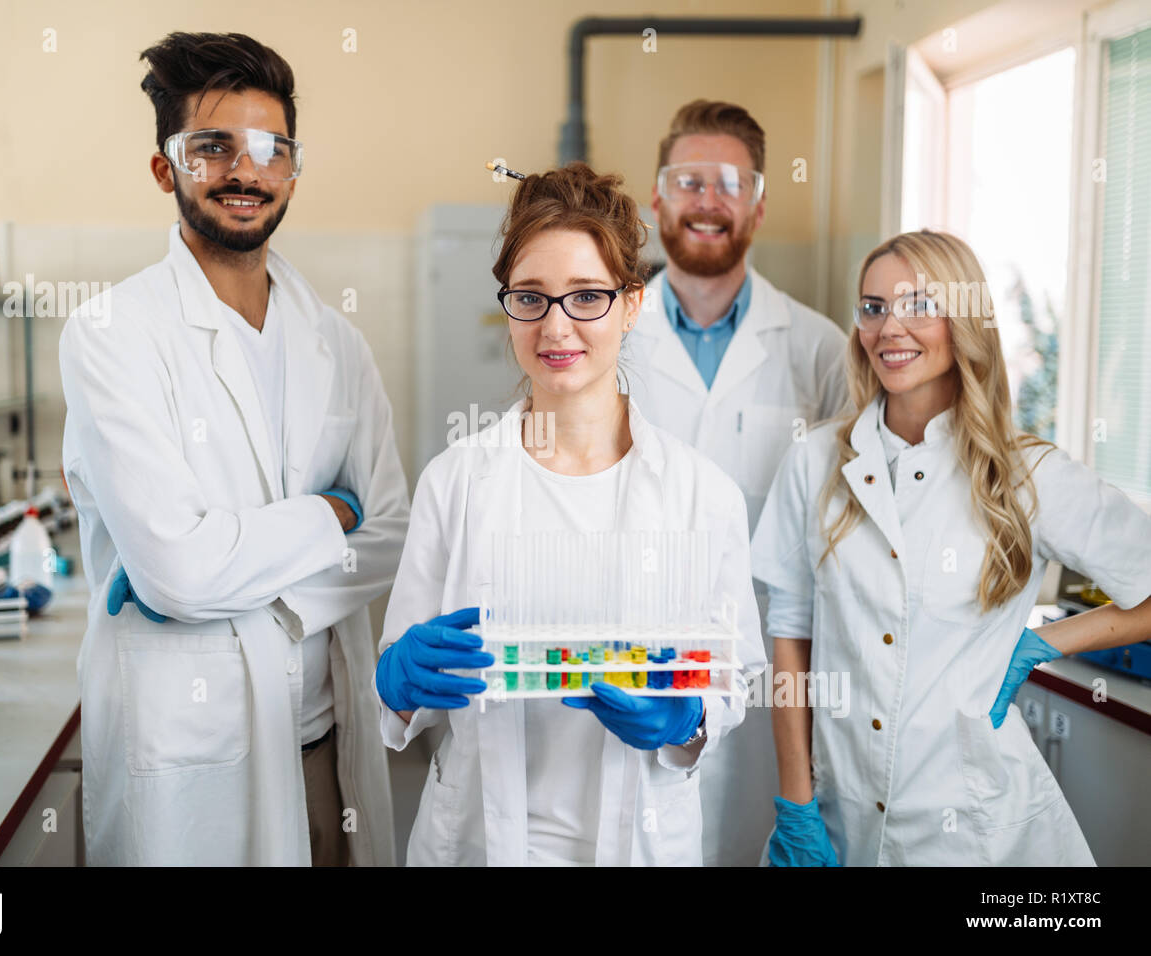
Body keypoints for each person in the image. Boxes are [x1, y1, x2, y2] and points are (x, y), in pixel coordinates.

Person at [58, 32, 409, 865]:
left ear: (291, 168)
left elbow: (392, 530)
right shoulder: (111, 334)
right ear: (164, 168)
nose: (244, 173)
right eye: (212, 148)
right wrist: (327, 513)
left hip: (319, 742)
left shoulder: (337, 342)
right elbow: (178, 570)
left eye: (268, 150)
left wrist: (257, 599)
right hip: (188, 762)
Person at [373, 163, 765, 866]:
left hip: (641, 840)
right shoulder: (455, 482)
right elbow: (406, 699)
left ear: (632, 303)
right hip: (477, 840)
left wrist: (689, 712)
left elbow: (732, 675)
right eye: (531, 297)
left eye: (587, 296)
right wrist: (398, 680)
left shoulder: (703, 495)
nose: (556, 327)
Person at [751, 229, 1151, 865]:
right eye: (874, 307)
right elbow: (791, 637)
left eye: (919, 305)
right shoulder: (816, 461)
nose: (890, 328)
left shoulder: (1027, 474)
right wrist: (797, 805)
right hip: (841, 816)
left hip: (981, 832)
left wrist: (1046, 643)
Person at [622, 100, 849, 865]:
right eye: (689, 181)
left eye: (730, 182)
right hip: (639, 657)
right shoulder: (606, 335)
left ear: (758, 203)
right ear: (657, 199)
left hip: (770, 671)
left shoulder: (820, 350)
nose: (708, 201)